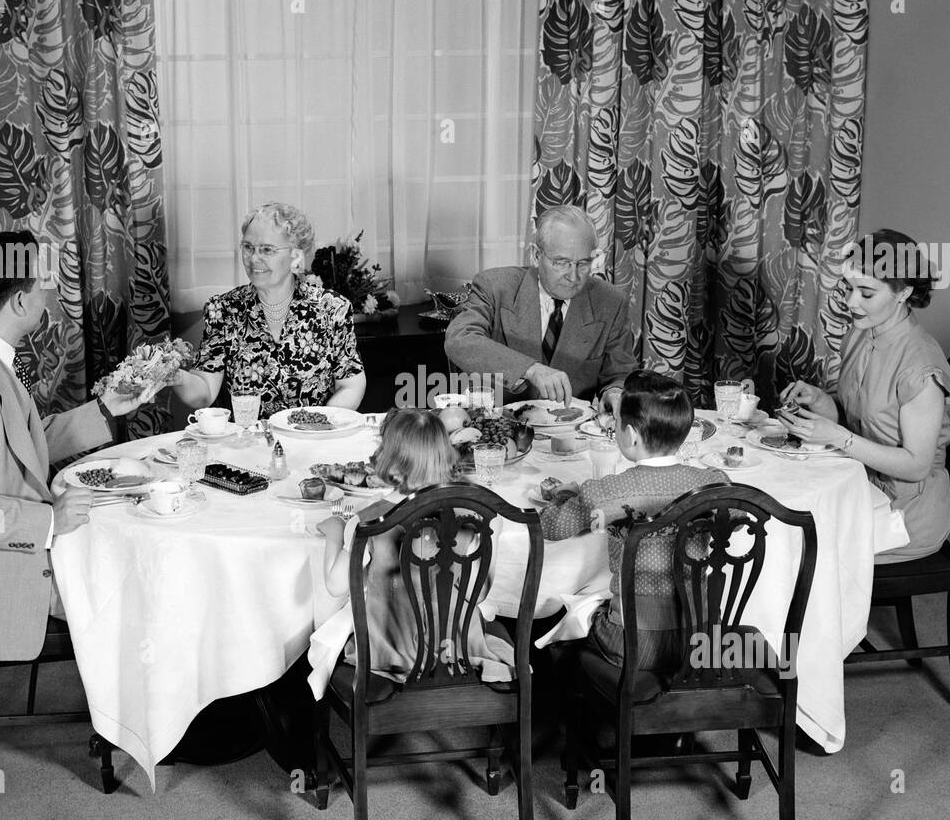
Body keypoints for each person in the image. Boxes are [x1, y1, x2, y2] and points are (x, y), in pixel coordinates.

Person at [0, 231, 153, 662]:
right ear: (20, 302)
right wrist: (48, 521)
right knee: (144, 589)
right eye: (44, 284)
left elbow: (19, 440)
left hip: (11, 551)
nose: (50, 294)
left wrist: (105, 409)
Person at [779, 228, 950, 563]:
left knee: (792, 549)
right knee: (773, 523)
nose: (850, 302)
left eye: (867, 293)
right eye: (849, 289)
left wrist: (841, 438)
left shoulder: (921, 368)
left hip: (904, 514)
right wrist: (821, 401)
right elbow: (858, 416)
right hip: (860, 484)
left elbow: (917, 466)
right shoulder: (862, 334)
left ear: (903, 292)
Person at [310, 409, 514, 690]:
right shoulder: (473, 514)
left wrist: (336, 533)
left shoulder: (368, 520)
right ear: (444, 453)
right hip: (455, 647)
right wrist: (497, 536)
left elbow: (335, 586)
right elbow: (477, 595)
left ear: (391, 459)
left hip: (392, 650)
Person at [541, 371, 729, 674]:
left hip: (629, 644)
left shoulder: (606, 492)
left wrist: (565, 495)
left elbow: (551, 527)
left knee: (566, 628)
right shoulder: (715, 483)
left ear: (631, 436)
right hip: (700, 643)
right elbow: (741, 515)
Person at [170, 202, 366, 416]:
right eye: (248, 247)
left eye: (267, 250)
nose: (254, 259)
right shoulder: (224, 310)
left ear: (296, 257)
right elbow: (204, 392)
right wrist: (175, 376)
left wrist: (318, 424)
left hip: (312, 442)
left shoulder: (332, 308)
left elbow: (351, 385)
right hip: (246, 445)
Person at [444, 204, 636, 414]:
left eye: (583, 263)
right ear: (536, 255)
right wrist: (531, 369)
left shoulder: (611, 302)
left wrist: (615, 391)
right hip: (500, 424)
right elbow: (459, 339)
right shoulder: (495, 287)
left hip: (571, 434)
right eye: (561, 262)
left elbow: (620, 373)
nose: (573, 276)